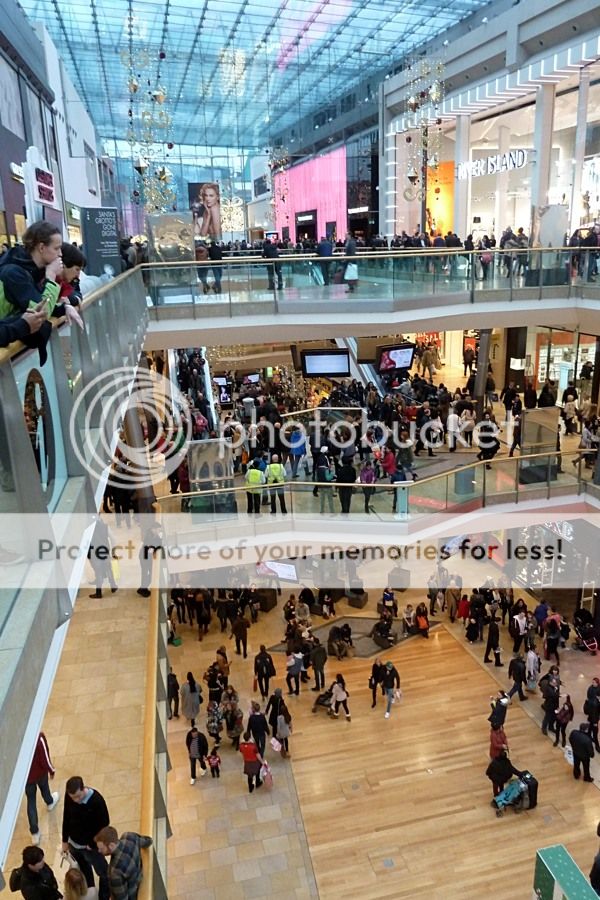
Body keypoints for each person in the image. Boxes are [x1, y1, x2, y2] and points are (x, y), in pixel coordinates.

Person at [0, 220, 62, 364]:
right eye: (56, 248)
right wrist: (51, 277)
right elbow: (43, 311)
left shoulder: (30, 269)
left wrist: (67, 305)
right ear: (41, 247)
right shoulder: (14, 272)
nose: (60, 254)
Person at [61, 776, 110, 900]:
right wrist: (64, 840)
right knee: (83, 869)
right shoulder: (70, 797)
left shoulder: (96, 801)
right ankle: (90, 891)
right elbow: (66, 817)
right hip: (74, 844)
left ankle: (104, 895)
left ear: (83, 789)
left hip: (90, 847)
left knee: (103, 871)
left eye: (78, 796)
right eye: (73, 798)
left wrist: (92, 844)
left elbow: (104, 824)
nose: (76, 800)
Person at [94, 826, 152, 900]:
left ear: (111, 845)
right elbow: (148, 841)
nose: (99, 851)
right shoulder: (129, 836)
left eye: (101, 848)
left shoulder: (114, 872)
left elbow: (122, 898)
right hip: (139, 875)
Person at [25, 733, 60, 845]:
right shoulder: (38, 738)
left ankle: (34, 833)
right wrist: (51, 770)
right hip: (40, 773)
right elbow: (44, 758)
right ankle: (49, 802)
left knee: (31, 801)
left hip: (26, 777)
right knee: (45, 788)